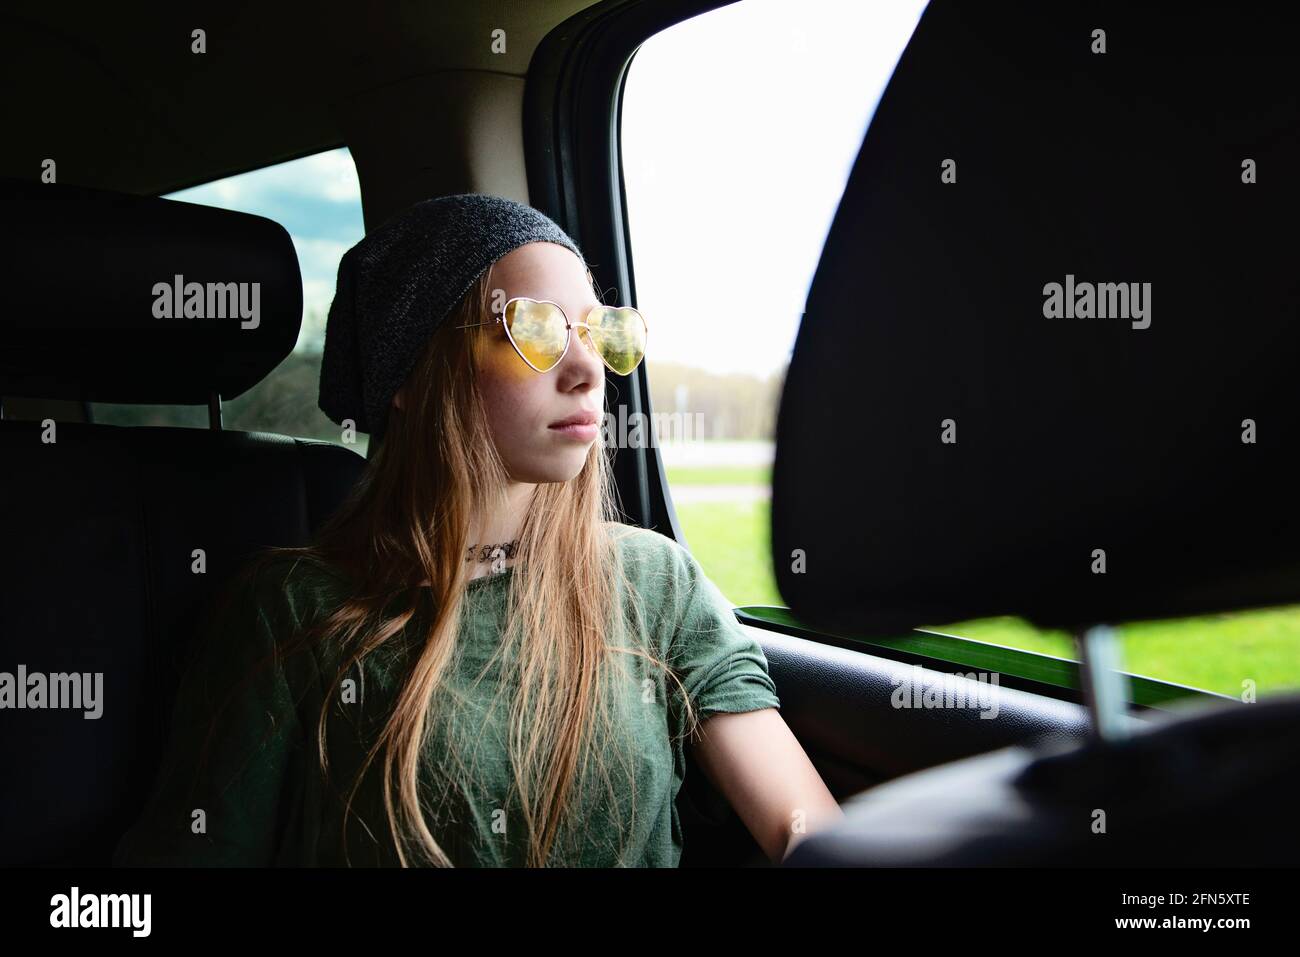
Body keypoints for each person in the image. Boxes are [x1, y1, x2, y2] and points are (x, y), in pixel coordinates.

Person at [112, 193, 842, 867]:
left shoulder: (656, 583)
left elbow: (800, 829)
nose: (590, 367)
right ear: (410, 370)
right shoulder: (293, 612)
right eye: (534, 328)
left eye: (598, 331)